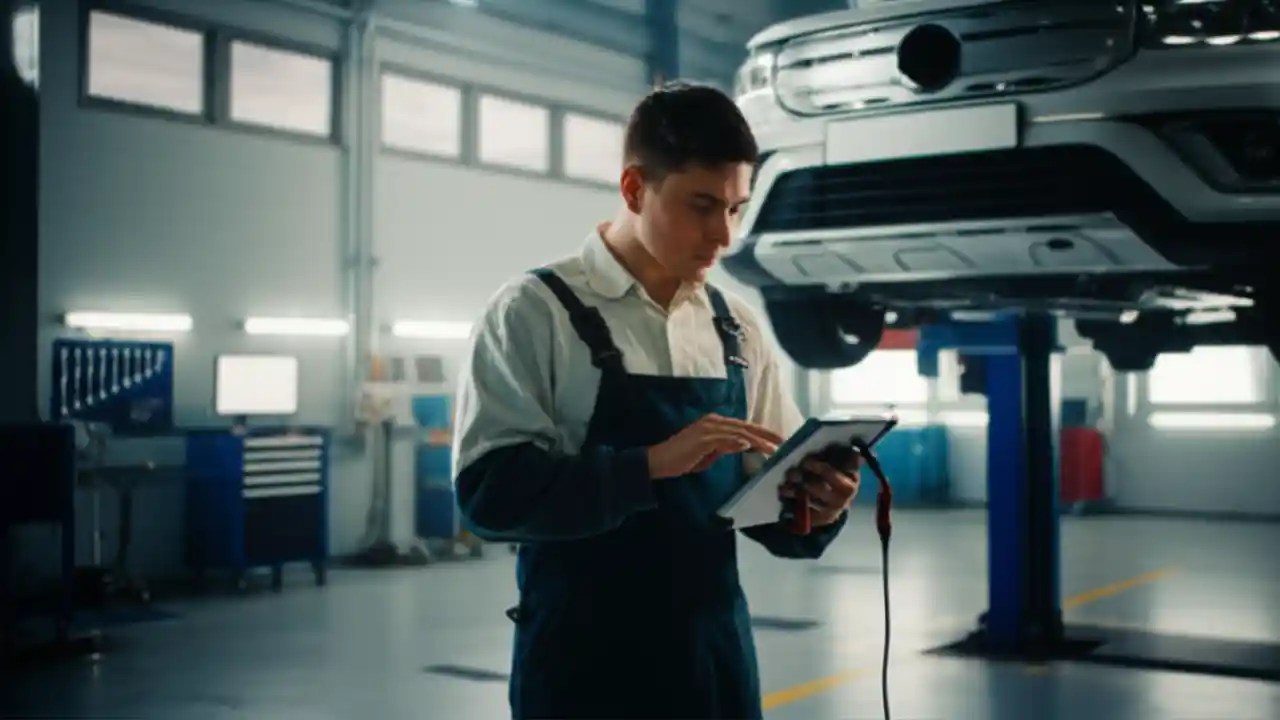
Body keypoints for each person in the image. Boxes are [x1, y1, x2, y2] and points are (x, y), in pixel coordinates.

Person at [451, 82, 862, 720]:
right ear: (635, 189)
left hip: (714, 665)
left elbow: (771, 513)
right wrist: (649, 464)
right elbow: (489, 496)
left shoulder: (737, 327)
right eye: (702, 205)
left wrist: (817, 505)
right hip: (584, 673)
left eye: (736, 208)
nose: (723, 237)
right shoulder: (535, 313)